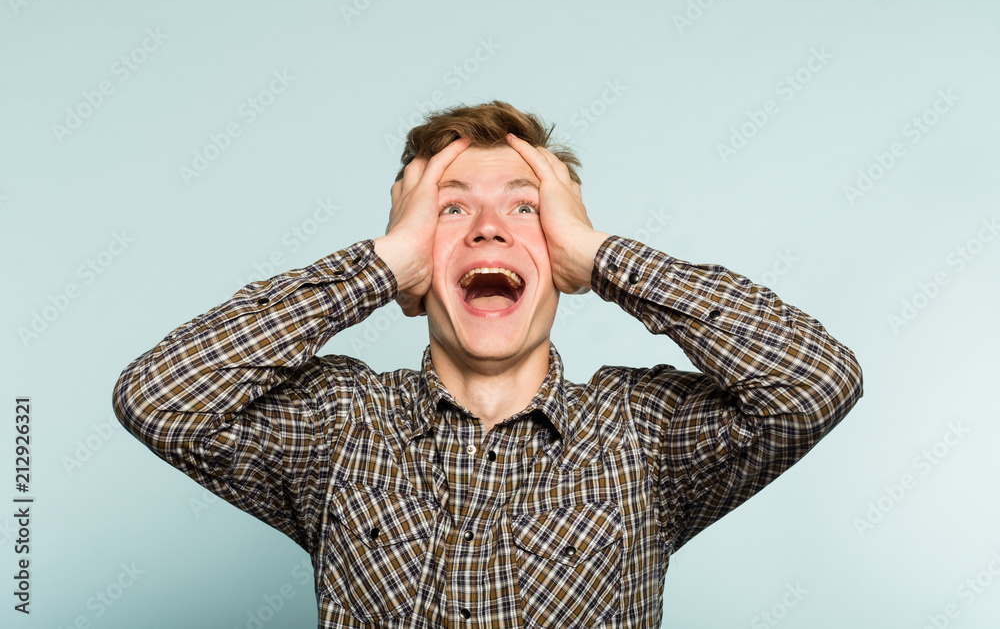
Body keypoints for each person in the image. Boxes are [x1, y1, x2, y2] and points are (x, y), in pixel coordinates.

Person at [113, 100, 863, 628]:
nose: (489, 231)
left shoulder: (646, 433)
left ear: (559, 259)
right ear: (414, 275)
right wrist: (380, 264)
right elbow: (160, 395)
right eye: (451, 209)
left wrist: (603, 257)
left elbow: (814, 380)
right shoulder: (338, 424)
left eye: (525, 208)